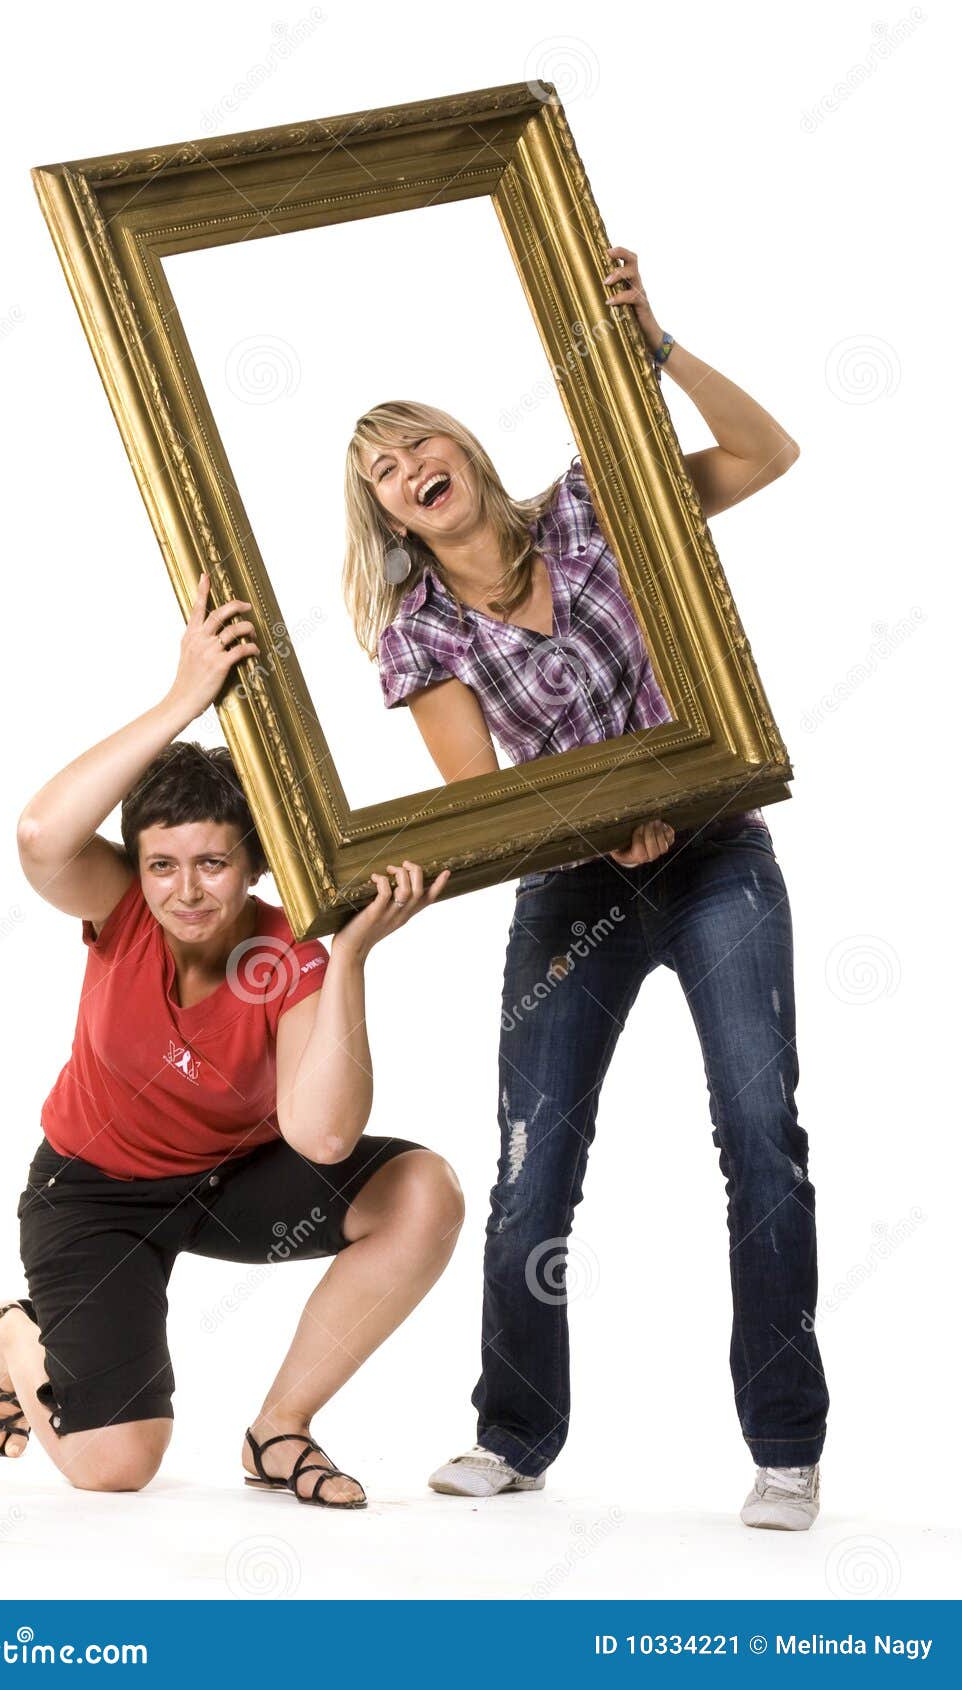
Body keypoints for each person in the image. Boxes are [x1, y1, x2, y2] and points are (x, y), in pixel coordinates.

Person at [341, 246, 828, 1530]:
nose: (407, 470)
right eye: (383, 472)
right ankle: (513, 1435)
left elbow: (766, 453)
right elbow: (481, 798)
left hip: (720, 851)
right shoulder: (425, 636)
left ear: (462, 444)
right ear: (390, 517)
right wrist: (596, 826)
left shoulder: (598, 503)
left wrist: (657, 346)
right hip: (573, 895)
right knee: (533, 1164)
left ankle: (785, 1443)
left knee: (759, 1129)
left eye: (415, 442)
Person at [0, 571, 462, 1508]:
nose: (185, 891)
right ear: (137, 868)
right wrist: (185, 698)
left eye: (210, 864)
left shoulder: (288, 956)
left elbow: (320, 1139)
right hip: (94, 1195)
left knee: (423, 1190)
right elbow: (40, 834)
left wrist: (347, 956)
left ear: (253, 862)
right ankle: (11, 1340)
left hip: (230, 1184)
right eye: (162, 865)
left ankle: (280, 1431)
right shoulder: (120, 906)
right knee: (115, 1468)